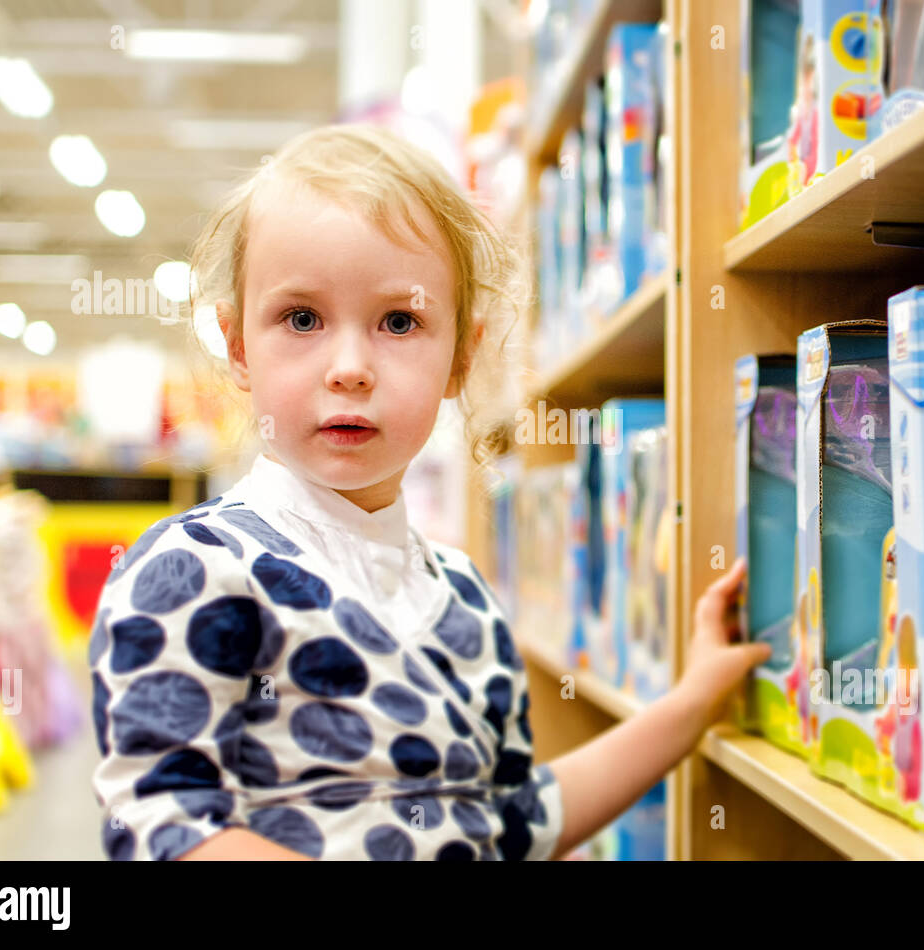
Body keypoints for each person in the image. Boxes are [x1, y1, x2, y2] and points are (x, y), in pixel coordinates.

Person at [89, 124, 771, 861]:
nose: (350, 367)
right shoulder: (194, 569)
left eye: (399, 321)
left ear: (460, 357)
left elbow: (515, 823)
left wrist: (695, 698)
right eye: (302, 318)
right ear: (239, 347)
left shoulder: (468, 599)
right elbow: (163, 823)